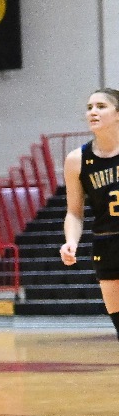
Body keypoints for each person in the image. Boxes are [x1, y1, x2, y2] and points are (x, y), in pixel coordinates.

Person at [59, 88, 119, 339]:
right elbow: (74, 212)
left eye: (101, 106)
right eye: (89, 107)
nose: (93, 112)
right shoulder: (77, 160)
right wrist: (71, 241)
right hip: (106, 243)